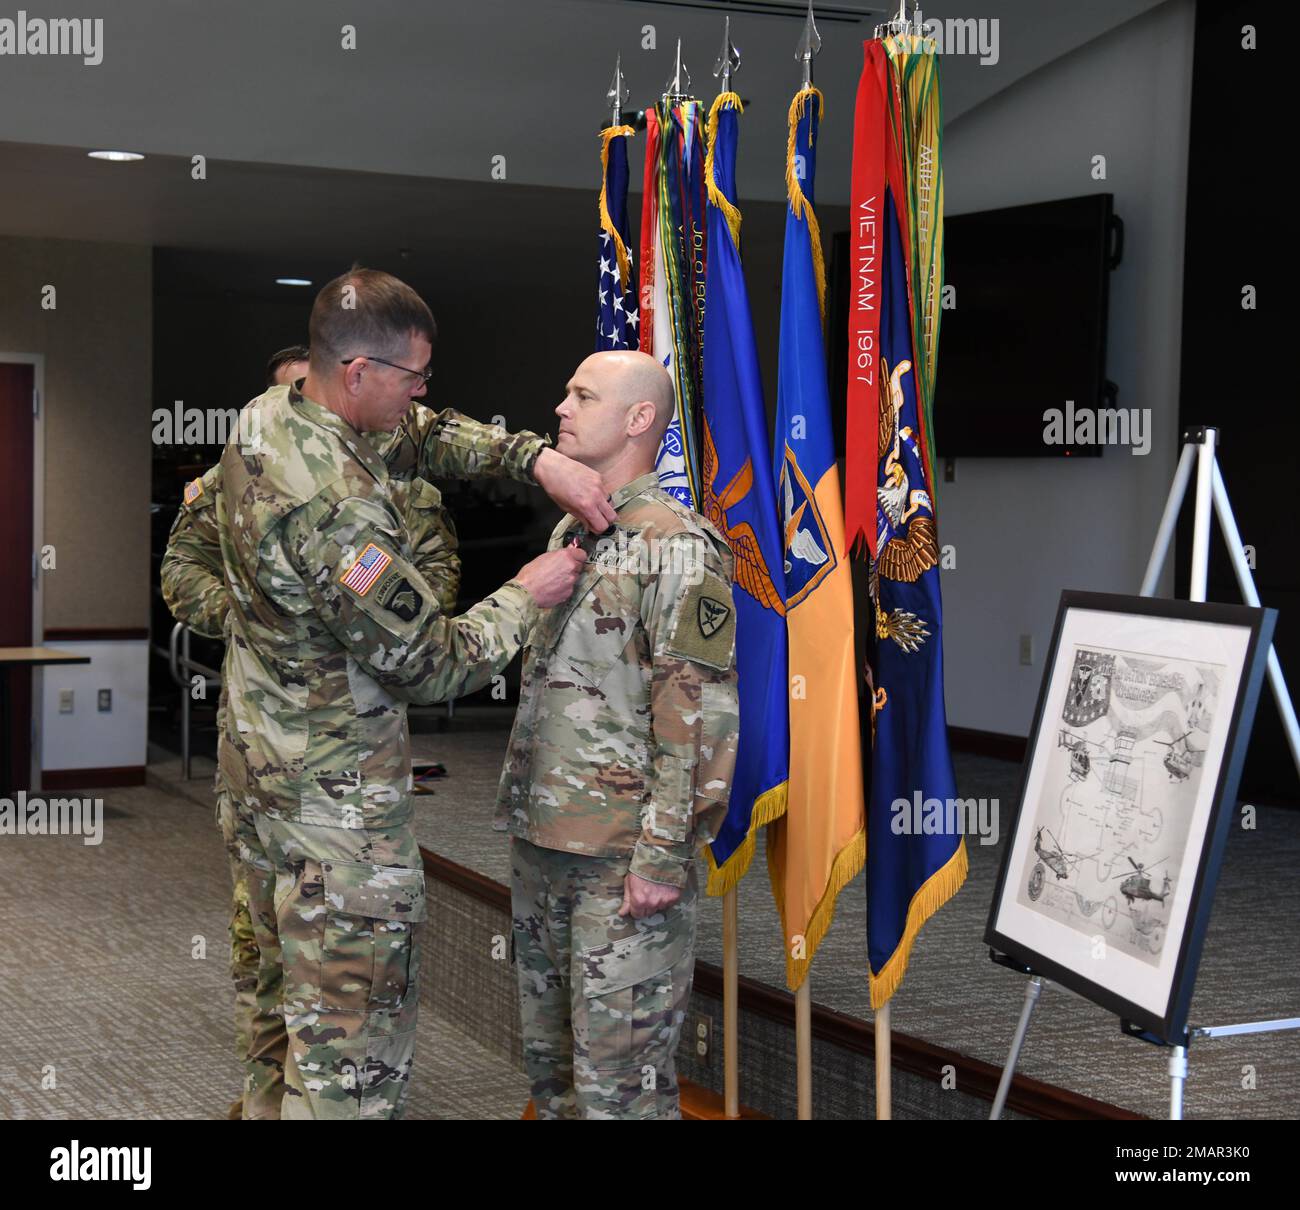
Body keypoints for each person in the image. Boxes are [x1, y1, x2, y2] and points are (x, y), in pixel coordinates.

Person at [211, 267, 612, 1119]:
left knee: (277, 1024)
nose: (422, 395)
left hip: (261, 783)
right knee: (347, 1061)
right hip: (335, 823)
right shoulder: (337, 509)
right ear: (357, 373)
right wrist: (524, 593)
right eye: (413, 378)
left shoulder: (267, 418)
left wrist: (531, 458)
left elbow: (421, 436)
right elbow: (428, 664)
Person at [161, 358, 464, 1118]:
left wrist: (320, 616)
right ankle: (265, 1101)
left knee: (328, 975)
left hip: (339, 777)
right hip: (262, 775)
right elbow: (182, 564)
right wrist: (254, 615)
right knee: (265, 971)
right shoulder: (246, 472)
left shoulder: (401, 492)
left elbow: (426, 620)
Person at [495, 349, 740, 1119]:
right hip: (546, 844)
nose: (561, 408)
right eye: (566, 391)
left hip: (621, 864)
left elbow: (696, 716)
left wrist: (664, 856)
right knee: (555, 1076)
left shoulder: (677, 544)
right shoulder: (579, 527)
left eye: (582, 395)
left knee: (621, 1088)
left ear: (639, 419)